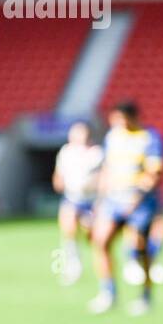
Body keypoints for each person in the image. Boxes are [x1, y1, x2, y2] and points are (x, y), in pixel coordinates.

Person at [89, 101, 163, 316]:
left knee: (140, 250)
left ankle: (146, 295)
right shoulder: (112, 138)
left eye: (121, 119)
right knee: (101, 241)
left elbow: (155, 172)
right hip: (113, 200)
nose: (118, 123)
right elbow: (107, 169)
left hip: (140, 202)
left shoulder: (149, 137)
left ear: (133, 117)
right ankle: (108, 293)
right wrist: (99, 199)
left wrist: (137, 196)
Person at [52, 120, 103, 286]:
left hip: (91, 200)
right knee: (69, 230)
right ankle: (72, 265)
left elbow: (102, 177)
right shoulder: (66, 152)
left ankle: (101, 265)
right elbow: (58, 175)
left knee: (92, 235)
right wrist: (59, 183)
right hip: (72, 198)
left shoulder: (96, 153)